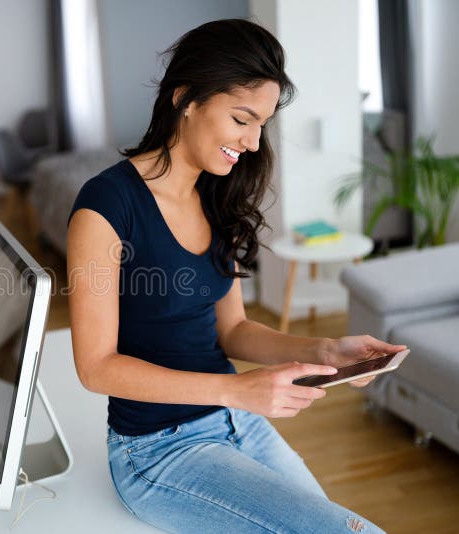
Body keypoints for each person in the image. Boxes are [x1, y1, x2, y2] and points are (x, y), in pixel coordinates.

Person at [66, 19, 403, 534]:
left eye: (262, 124)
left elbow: (233, 330)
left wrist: (323, 352)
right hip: (157, 452)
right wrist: (236, 391)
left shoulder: (218, 196)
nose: (251, 141)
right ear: (187, 98)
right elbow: (96, 367)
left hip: (236, 422)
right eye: (242, 119)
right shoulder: (107, 205)